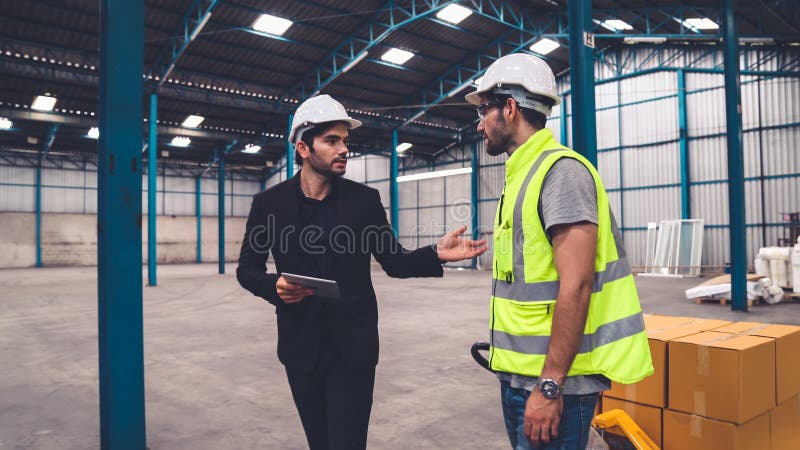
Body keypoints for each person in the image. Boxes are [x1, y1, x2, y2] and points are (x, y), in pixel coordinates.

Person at [236, 94, 486, 450]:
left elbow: (395, 262)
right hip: (301, 347)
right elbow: (247, 269)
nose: (344, 149)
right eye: (331, 140)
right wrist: (273, 286)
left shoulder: (364, 201)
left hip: (352, 349)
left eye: (345, 141)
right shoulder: (269, 204)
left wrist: (436, 254)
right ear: (303, 148)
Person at [465, 54, 653, 450]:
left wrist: (550, 386)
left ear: (510, 108)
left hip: (556, 385)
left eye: (483, 110)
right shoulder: (521, 175)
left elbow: (577, 285)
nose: (479, 124)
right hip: (519, 377)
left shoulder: (561, 173)